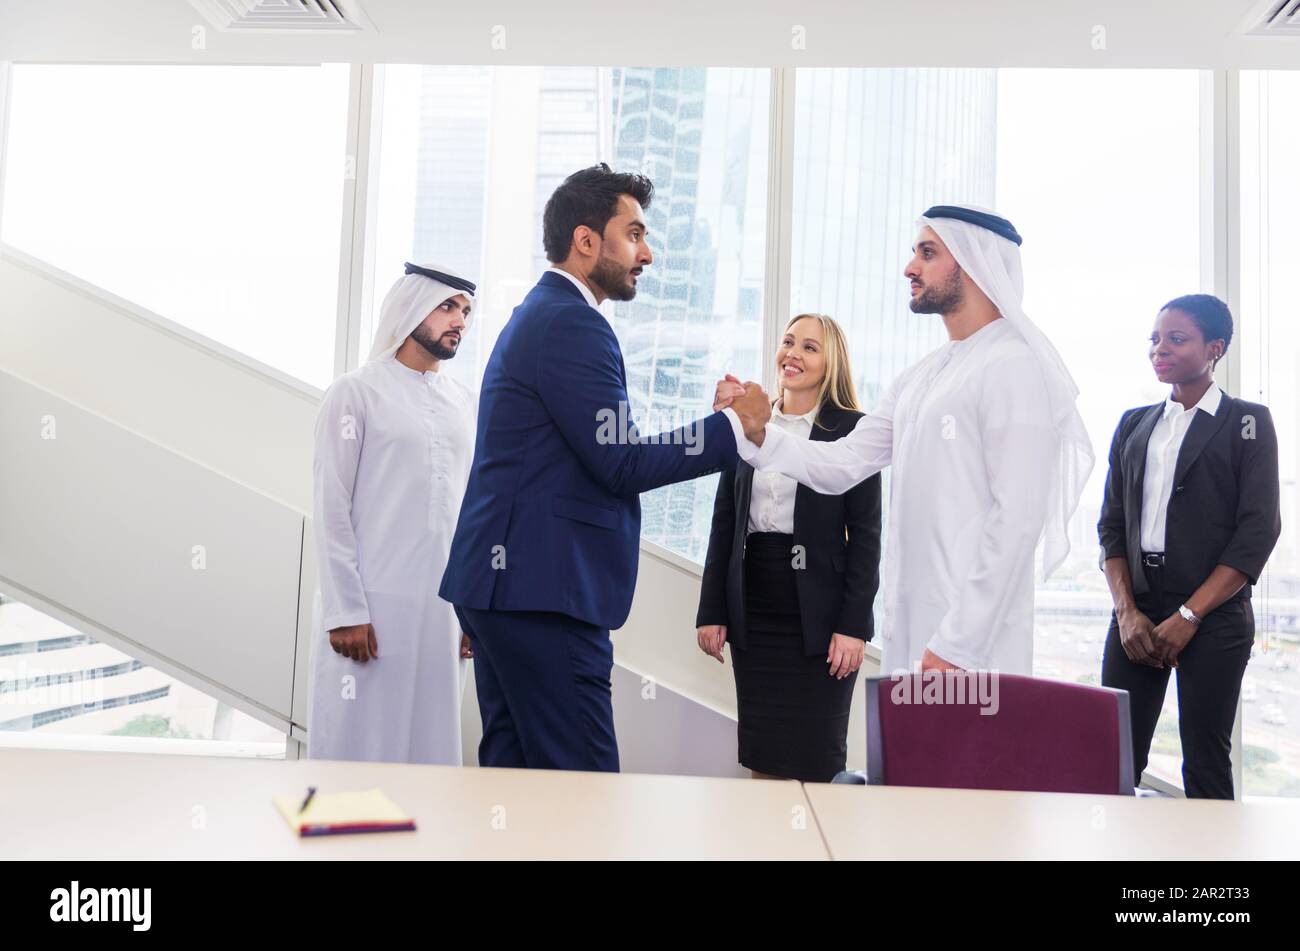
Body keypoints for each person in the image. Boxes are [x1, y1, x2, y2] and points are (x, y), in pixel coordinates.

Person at [439, 164, 739, 772]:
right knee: (585, 791)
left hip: (508, 590)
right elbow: (620, 461)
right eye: (634, 234)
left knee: (519, 780)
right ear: (586, 241)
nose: (646, 253)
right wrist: (733, 430)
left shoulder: (540, 314)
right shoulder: (573, 322)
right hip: (544, 595)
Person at [719, 205, 1092, 674]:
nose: (909, 267)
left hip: (971, 650)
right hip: (916, 634)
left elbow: (1016, 520)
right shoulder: (924, 375)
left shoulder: (1014, 366)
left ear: (974, 264)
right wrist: (759, 431)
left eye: (927, 253)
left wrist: (958, 644)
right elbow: (843, 463)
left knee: (970, 751)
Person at [1098, 294, 1279, 799]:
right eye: (1155, 339)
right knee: (1111, 764)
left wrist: (1190, 616)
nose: (1160, 349)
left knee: (1204, 764)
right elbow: (1111, 527)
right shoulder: (1134, 424)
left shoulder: (1249, 423)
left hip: (1214, 614)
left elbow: (1258, 531)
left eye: (1177, 339)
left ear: (1215, 348)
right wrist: (1127, 612)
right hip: (1136, 608)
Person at [697, 313, 881, 782]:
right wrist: (711, 609)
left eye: (810, 347)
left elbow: (866, 537)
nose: (793, 354)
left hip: (823, 616)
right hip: (755, 606)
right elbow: (725, 521)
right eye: (788, 342)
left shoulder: (854, 433)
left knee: (817, 759)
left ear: (830, 363)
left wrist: (853, 626)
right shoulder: (748, 423)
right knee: (763, 757)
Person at [308, 262, 478, 764]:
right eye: (447, 306)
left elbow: (474, 510)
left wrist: (474, 610)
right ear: (410, 309)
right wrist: (346, 611)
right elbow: (330, 506)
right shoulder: (355, 393)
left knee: (433, 748)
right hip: (372, 609)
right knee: (359, 743)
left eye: (466, 311)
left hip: (446, 612)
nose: (459, 321)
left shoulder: (469, 403)